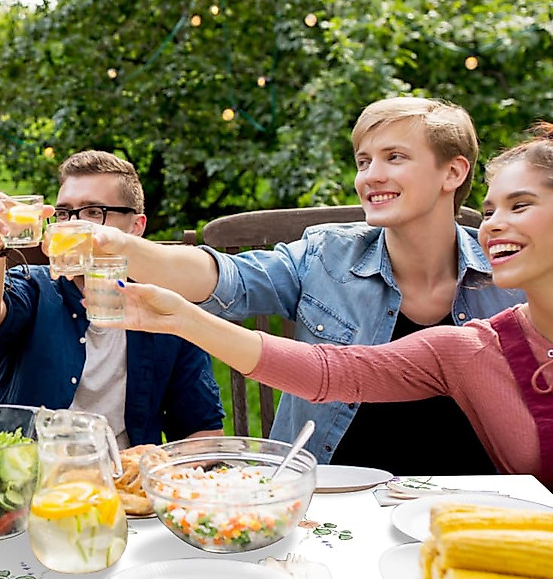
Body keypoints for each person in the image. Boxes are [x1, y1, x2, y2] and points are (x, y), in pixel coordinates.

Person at [88, 98, 522, 472]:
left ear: (453, 172)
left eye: (395, 157)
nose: (371, 175)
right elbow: (227, 277)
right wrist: (125, 247)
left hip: (475, 499)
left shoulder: (514, 272)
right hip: (338, 495)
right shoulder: (327, 255)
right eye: (364, 161)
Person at [0, 149, 225, 448]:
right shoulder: (36, 286)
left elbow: (204, 433)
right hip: (31, 482)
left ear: (135, 227)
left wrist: (148, 472)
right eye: (63, 213)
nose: (73, 224)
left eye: (93, 212)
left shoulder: (166, 307)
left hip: (125, 485)